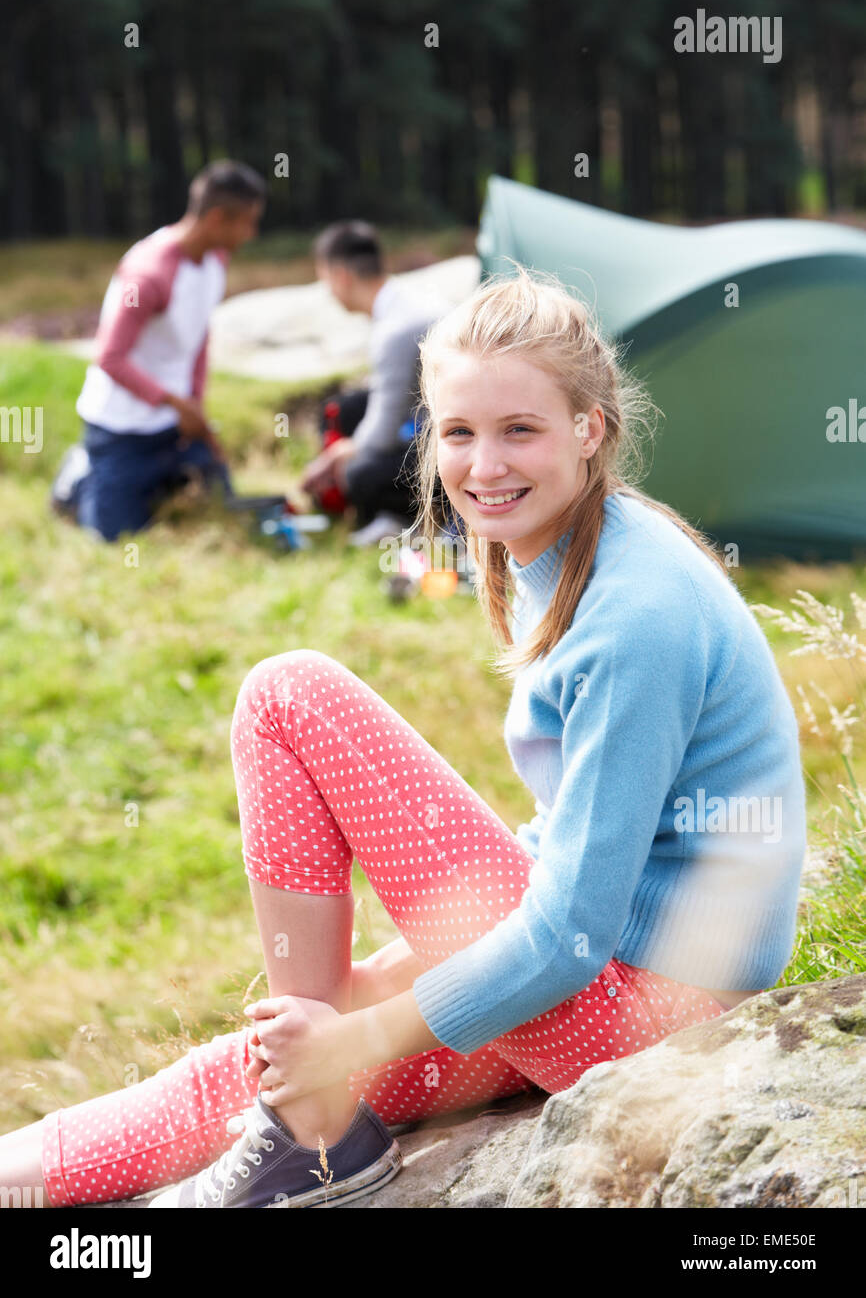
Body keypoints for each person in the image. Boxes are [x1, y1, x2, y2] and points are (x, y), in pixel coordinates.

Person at [1, 268, 807, 1208]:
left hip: (656, 1017)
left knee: (286, 696)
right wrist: (362, 998)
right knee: (277, 1061)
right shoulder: (566, 547)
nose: (484, 465)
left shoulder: (639, 615)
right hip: (612, 984)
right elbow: (584, 839)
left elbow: (572, 933)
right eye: (459, 432)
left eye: (520, 430)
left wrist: (355, 1034)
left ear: (590, 429)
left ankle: (315, 1136)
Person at [50, 160, 267, 542]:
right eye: (247, 223)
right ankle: (81, 477)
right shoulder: (149, 275)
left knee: (217, 502)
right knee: (114, 536)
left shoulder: (215, 261)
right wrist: (173, 402)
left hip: (171, 426)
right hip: (122, 428)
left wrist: (194, 405)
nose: (252, 233)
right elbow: (109, 357)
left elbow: (199, 336)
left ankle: (151, 482)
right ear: (217, 218)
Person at [300, 220, 446, 546]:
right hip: (428, 421)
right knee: (343, 410)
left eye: (326, 282)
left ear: (341, 277)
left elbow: (381, 433)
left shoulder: (394, 329)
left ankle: (402, 518)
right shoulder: (408, 300)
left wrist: (336, 458)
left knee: (360, 475)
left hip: (445, 446)